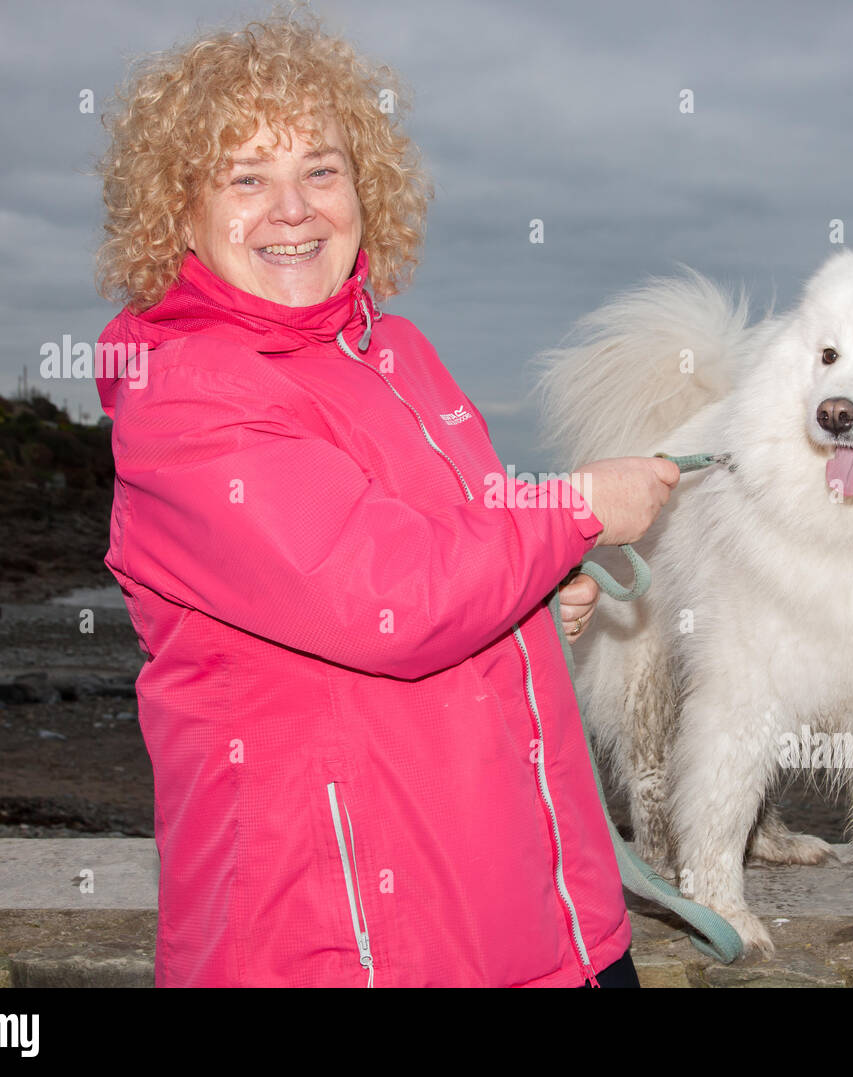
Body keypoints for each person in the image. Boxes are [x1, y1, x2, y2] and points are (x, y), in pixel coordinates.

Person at [93, 10, 678, 988]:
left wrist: (541, 589)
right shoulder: (188, 394)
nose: (293, 209)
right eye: (246, 179)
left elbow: (462, 553)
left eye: (321, 170)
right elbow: (391, 600)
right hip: (353, 944)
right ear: (178, 211)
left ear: (367, 188)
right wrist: (575, 509)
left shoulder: (399, 355)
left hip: (548, 916)